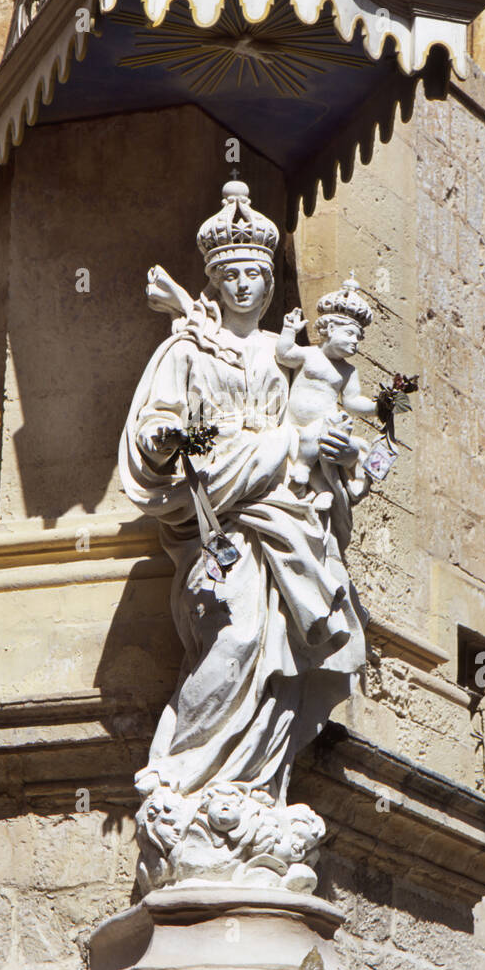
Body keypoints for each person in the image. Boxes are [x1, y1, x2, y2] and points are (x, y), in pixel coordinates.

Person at [118, 180, 371, 888]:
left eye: (255, 273)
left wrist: (336, 450)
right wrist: (176, 436)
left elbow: (320, 422)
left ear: (269, 281)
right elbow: (159, 429)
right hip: (222, 522)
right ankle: (183, 776)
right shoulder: (187, 347)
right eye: (230, 274)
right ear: (214, 279)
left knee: (281, 653)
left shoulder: (286, 354)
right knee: (234, 637)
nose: (242, 285)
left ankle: (254, 787)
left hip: (286, 519)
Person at [276, 275, 377, 488]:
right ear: (330, 329)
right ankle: (321, 489)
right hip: (291, 421)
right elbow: (284, 355)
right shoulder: (309, 354)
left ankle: (303, 467)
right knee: (301, 442)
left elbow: (352, 402)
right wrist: (289, 330)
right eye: (350, 334)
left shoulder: (348, 371)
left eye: (358, 338)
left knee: (314, 437)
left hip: (323, 422)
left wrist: (378, 408)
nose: (355, 342)